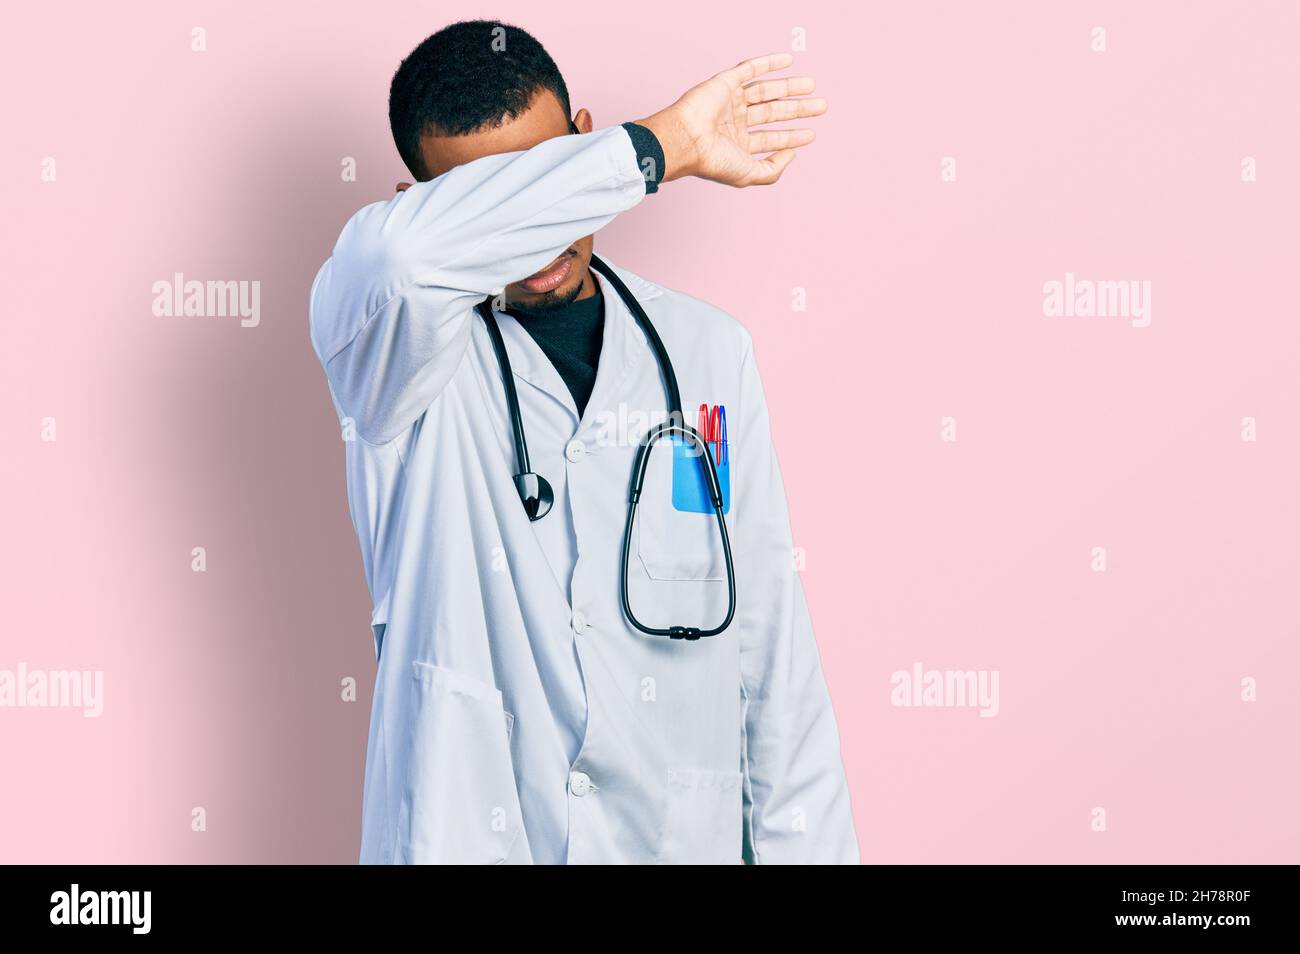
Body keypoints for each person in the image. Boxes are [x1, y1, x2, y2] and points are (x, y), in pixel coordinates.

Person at [309, 19, 859, 864]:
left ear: (580, 143)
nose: (535, 240)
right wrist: (662, 146)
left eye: (547, 180)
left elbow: (771, 654)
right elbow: (399, 260)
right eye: (496, 202)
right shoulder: (396, 362)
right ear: (422, 202)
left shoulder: (708, 351)